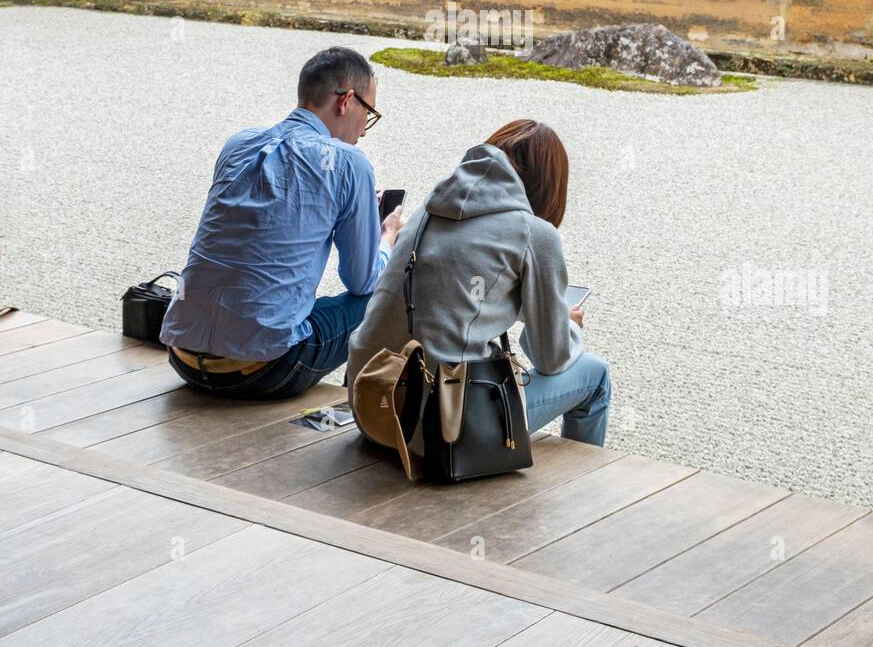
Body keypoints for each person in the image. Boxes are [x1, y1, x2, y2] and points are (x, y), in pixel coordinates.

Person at [347, 119, 611, 447]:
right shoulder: (535, 234)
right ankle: (583, 487)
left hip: (372, 407)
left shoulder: (428, 211)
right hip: (440, 431)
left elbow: (450, 297)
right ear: (549, 185)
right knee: (595, 374)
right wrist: (561, 322)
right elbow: (552, 358)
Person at [161, 47, 403, 400]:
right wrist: (387, 236)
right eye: (368, 114)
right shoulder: (351, 163)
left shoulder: (239, 144)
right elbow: (362, 279)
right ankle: (371, 405)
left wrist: (351, 203)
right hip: (265, 371)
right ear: (346, 101)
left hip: (182, 357)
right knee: (383, 296)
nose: (364, 132)